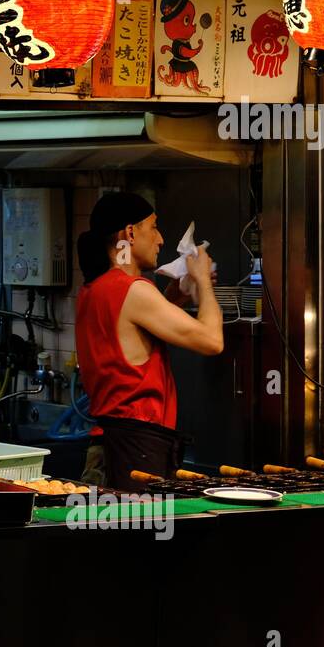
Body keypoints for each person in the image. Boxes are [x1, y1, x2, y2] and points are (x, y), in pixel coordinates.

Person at [74, 191, 223, 490]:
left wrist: (176, 296)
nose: (160, 239)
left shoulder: (97, 289)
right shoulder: (134, 291)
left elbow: (137, 331)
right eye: (153, 227)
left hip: (110, 444)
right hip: (136, 446)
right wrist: (204, 281)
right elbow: (212, 341)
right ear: (129, 232)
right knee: (141, 536)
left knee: (118, 534)